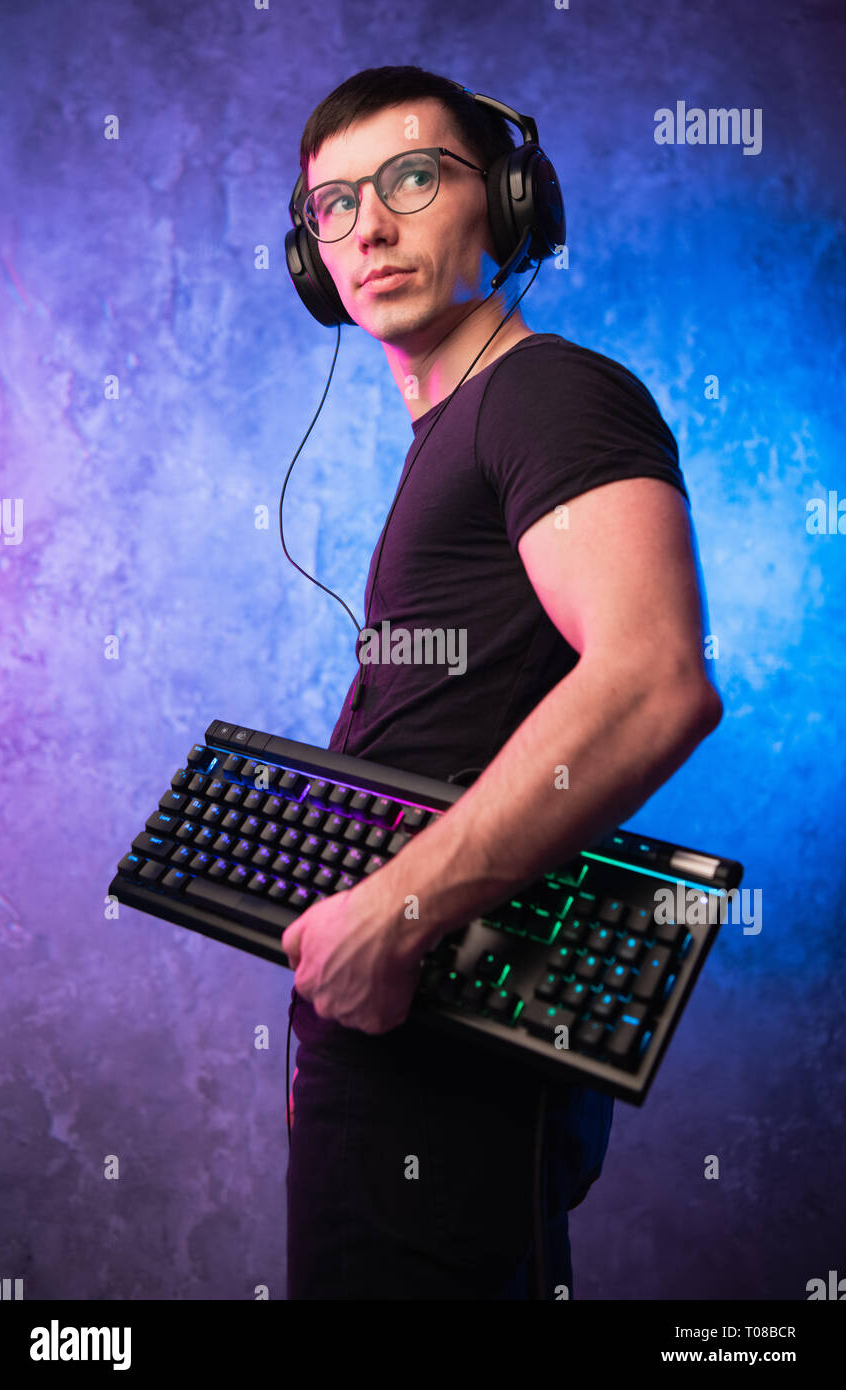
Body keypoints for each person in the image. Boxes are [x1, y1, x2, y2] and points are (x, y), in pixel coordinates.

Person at [281, 65, 723, 1300]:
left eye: (413, 179)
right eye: (331, 206)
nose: (366, 226)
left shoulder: (547, 394)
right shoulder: (459, 429)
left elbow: (650, 680)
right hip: (398, 1033)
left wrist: (393, 913)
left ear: (509, 208)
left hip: (451, 1026)